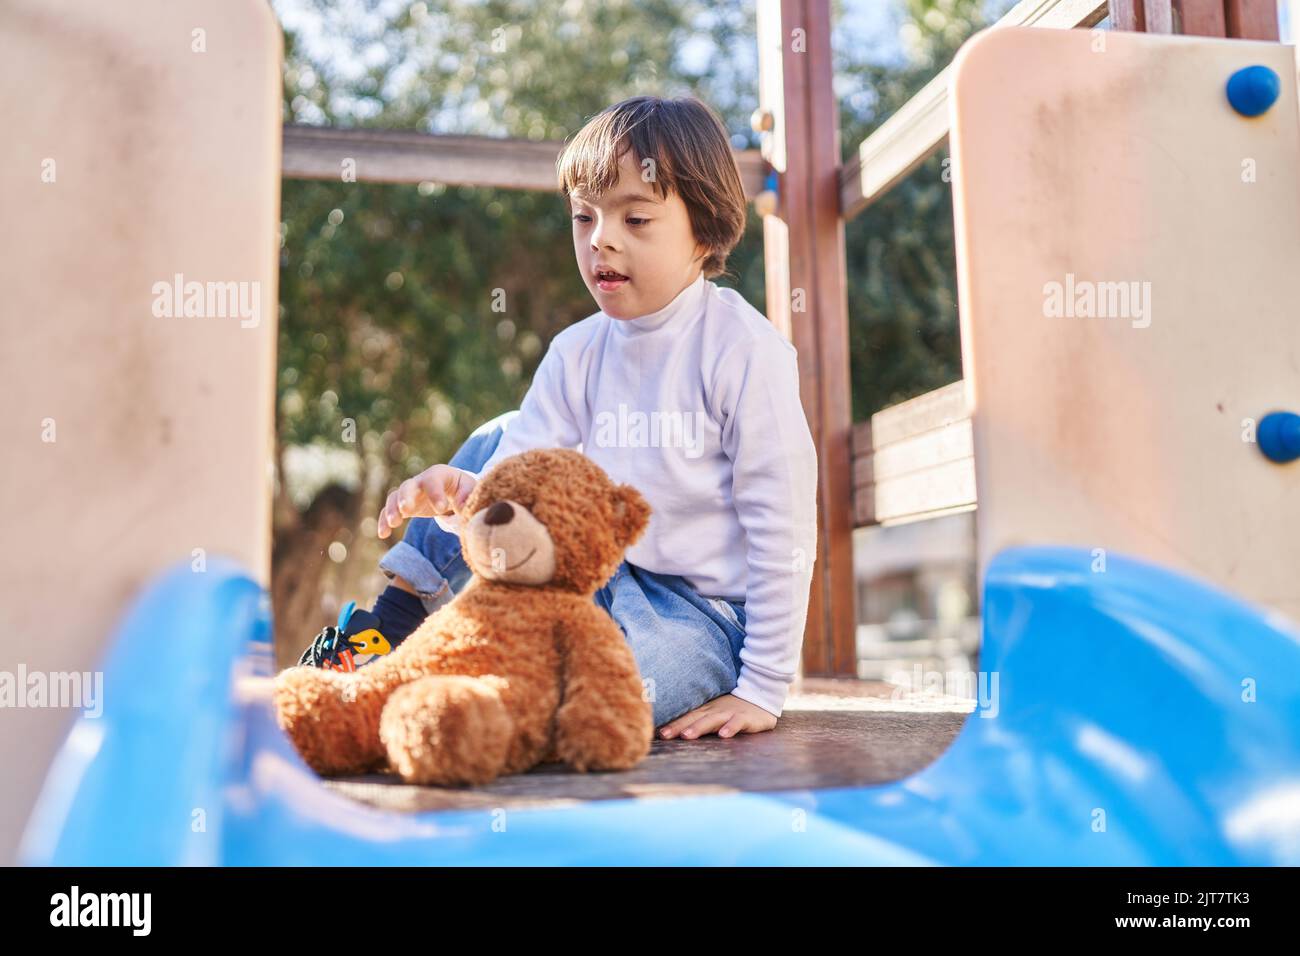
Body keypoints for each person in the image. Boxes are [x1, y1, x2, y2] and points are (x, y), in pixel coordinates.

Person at [297, 94, 818, 741]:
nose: (601, 238)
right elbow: (517, 499)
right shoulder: (577, 351)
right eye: (584, 217)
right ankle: (387, 634)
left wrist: (763, 687)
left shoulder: (742, 349)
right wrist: (465, 500)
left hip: (702, 613)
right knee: (497, 442)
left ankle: (478, 713)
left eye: (636, 218)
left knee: (616, 692)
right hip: (588, 573)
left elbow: (783, 523)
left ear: (705, 232)